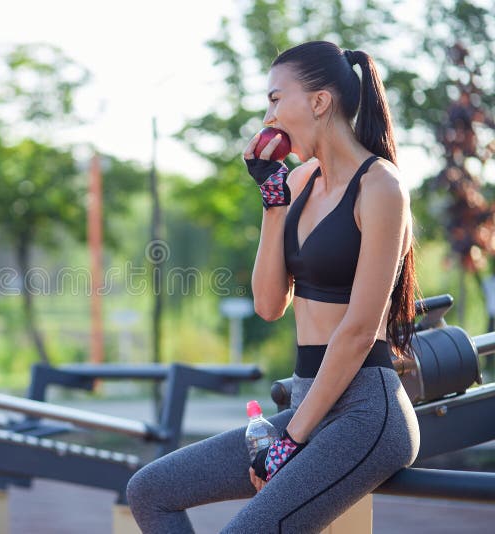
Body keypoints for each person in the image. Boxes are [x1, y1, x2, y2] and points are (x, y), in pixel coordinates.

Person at [126, 40, 422, 533]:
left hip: (365, 413)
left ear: (318, 101)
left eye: (274, 98)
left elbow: (358, 330)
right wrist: (273, 201)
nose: (268, 115)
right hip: (309, 405)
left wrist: (292, 439)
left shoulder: (381, 187)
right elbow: (268, 304)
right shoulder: (303, 181)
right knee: (150, 491)